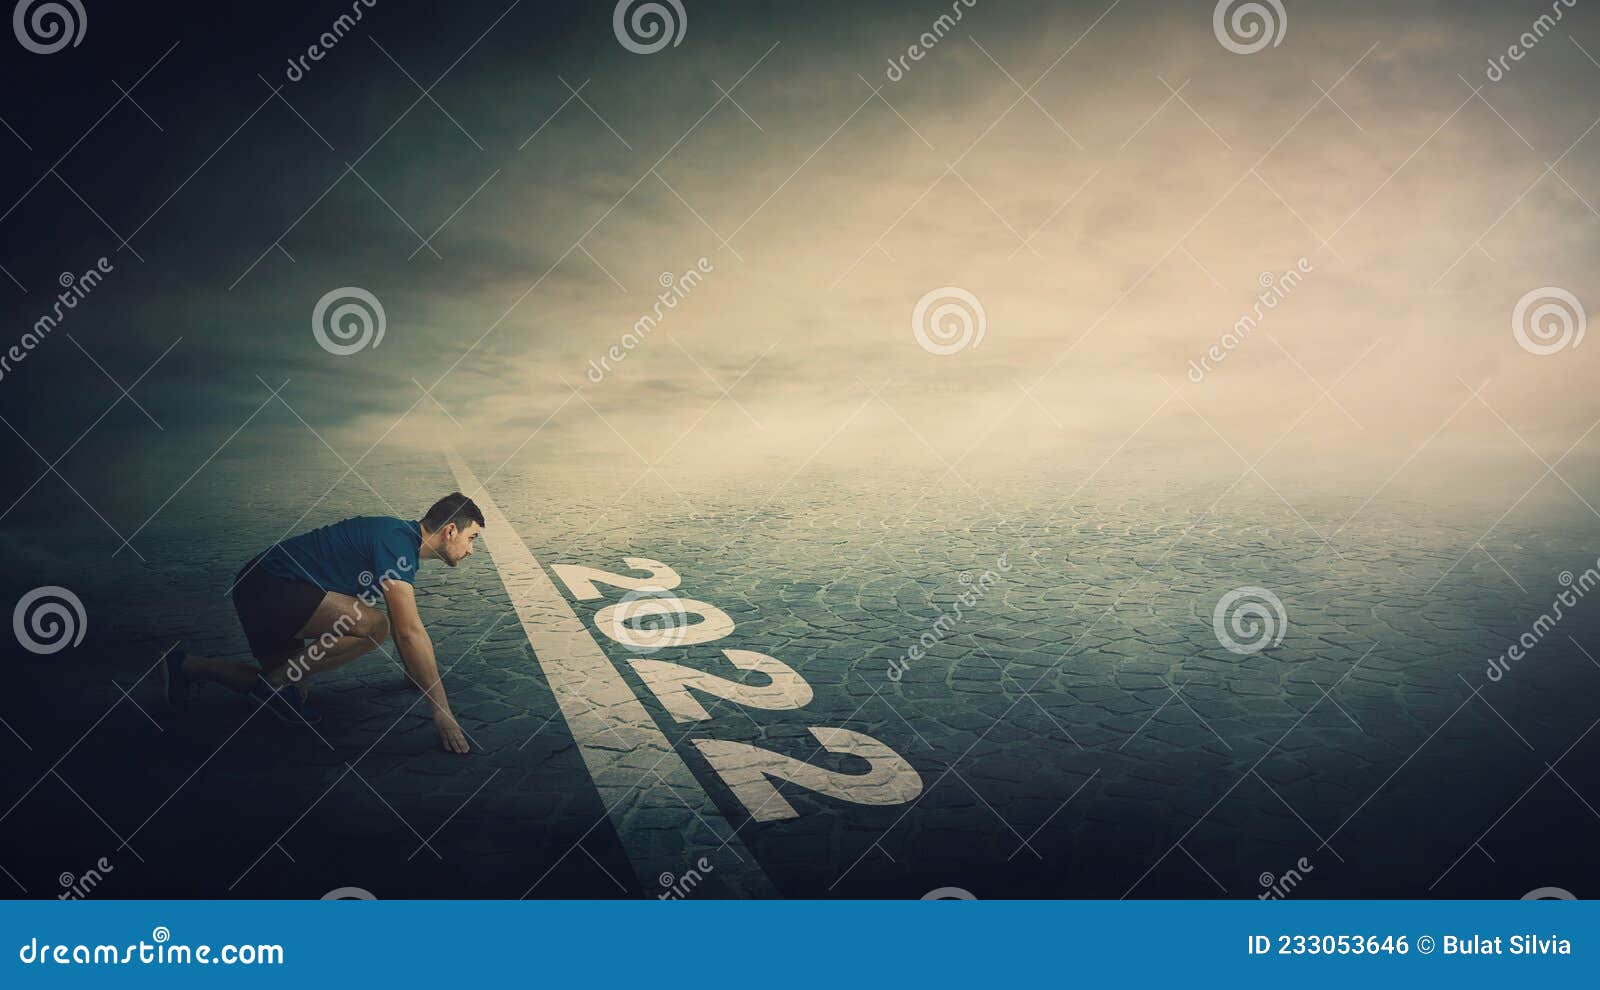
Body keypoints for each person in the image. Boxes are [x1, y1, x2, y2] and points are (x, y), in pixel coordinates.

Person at [160, 493, 484, 755]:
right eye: (472, 538)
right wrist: (441, 710)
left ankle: (188, 667)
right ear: (450, 530)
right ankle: (273, 685)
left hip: (260, 587)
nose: (471, 549)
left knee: (290, 685)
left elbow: (405, 624)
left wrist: (415, 676)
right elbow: (408, 630)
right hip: (272, 585)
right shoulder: (397, 542)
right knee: (374, 627)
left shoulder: (399, 541)